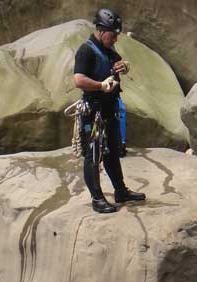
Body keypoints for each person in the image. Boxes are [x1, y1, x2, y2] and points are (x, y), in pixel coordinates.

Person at [72, 8, 145, 214]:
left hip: (109, 109)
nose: (115, 39)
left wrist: (123, 66)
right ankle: (97, 198)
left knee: (113, 151)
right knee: (93, 155)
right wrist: (100, 85)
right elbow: (78, 80)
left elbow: (115, 64)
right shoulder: (86, 51)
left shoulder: (108, 49)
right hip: (93, 111)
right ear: (101, 30)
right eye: (112, 35)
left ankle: (120, 191)